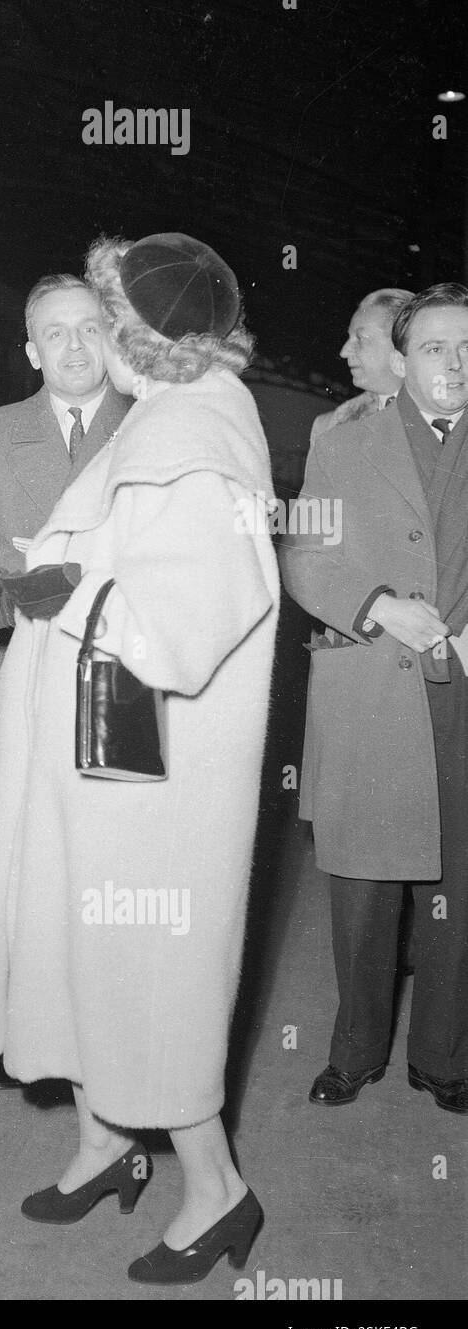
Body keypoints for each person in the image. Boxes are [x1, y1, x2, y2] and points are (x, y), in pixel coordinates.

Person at [0, 233, 280, 1284]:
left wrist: (63, 591)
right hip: (99, 762)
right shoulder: (175, 416)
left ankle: (217, 1191)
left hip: (141, 777)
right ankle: (105, 1143)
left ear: (136, 336)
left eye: (108, 321)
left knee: (145, 978)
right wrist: (55, 573)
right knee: (80, 955)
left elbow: (189, 611)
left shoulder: (196, 432)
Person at [280, 282, 468, 1116]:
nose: (452, 363)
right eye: (432, 347)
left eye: (465, 347)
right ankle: (354, 1050)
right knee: (361, 886)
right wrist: (377, 605)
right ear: (402, 356)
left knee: (457, 883)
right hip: (374, 686)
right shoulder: (343, 441)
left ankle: (444, 1055)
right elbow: (305, 555)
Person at [0, 275, 130, 874]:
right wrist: (69, 570)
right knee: (12, 859)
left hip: (123, 669)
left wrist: (31, 557)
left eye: (89, 329)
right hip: (18, 660)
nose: (73, 347)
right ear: (31, 352)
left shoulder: (153, 428)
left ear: (113, 339)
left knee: (109, 856)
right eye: (55, 333)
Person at [310, 288, 413, 443]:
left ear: (401, 343)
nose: (344, 352)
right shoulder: (326, 427)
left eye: (360, 338)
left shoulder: (455, 422)